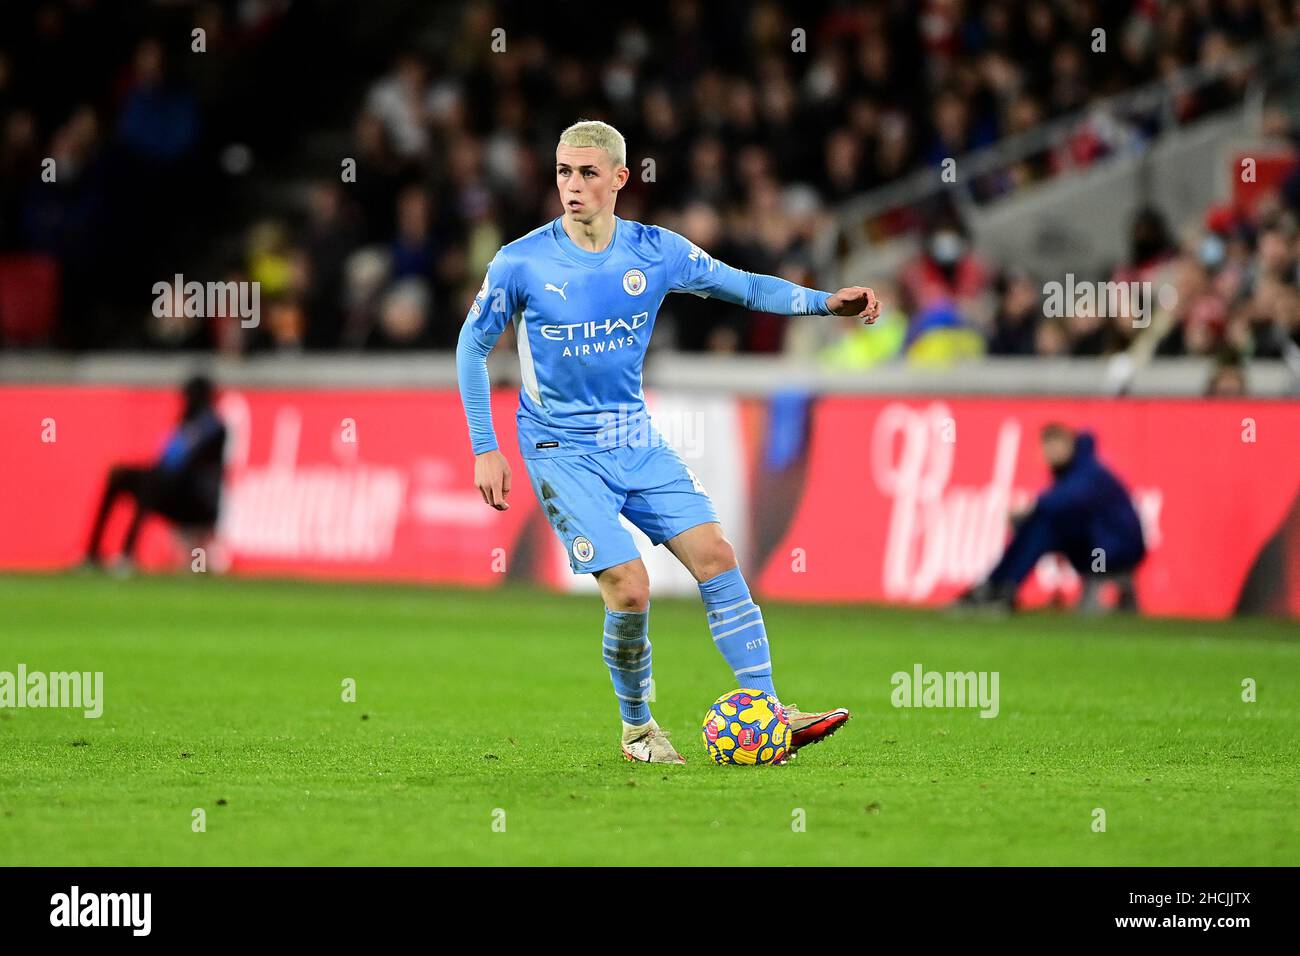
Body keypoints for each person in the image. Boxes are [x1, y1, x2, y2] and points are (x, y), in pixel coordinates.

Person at [456, 120, 881, 764]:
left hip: (635, 437)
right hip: (560, 449)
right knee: (629, 587)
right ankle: (638, 730)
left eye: (588, 173)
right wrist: (485, 445)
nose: (572, 186)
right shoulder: (521, 261)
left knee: (715, 554)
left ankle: (769, 708)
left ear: (620, 179)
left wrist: (825, 304)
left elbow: (747, 286)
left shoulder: (655, 252)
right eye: (563, 172)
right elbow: (472, 345)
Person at [960, 423, 1146, 612]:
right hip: (1098, 548)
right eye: (1048, 447)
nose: (1052, 452)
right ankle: (998, 585)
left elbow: (1066, 499)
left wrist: (1031, 510)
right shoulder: (1073, 472)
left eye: (1057, 446)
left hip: (1109, 554)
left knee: (1042, 526)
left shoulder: (1090, 472)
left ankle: (1001, 587)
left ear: (1070, 444)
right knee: (1039, 526)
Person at [83, 375, 226, 573]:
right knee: (118, 476)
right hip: (171, 491)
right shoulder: (185, 425)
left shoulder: (213, 427)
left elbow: (186, 465)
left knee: (151, 482)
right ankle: (91, 554)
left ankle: (127, 555)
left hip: (197, 503)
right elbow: (166, 460)